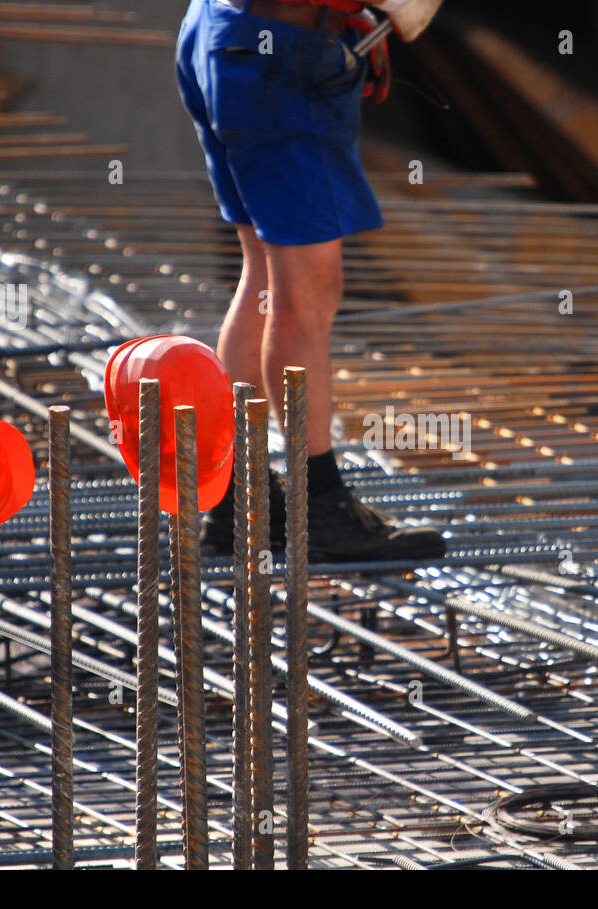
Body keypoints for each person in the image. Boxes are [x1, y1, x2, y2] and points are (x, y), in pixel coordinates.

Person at [175, 0, 446, 561]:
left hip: (223, 33)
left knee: (266, 276)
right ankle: (318, 510)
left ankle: (238, 500)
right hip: (273, 56)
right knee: (306, 292)